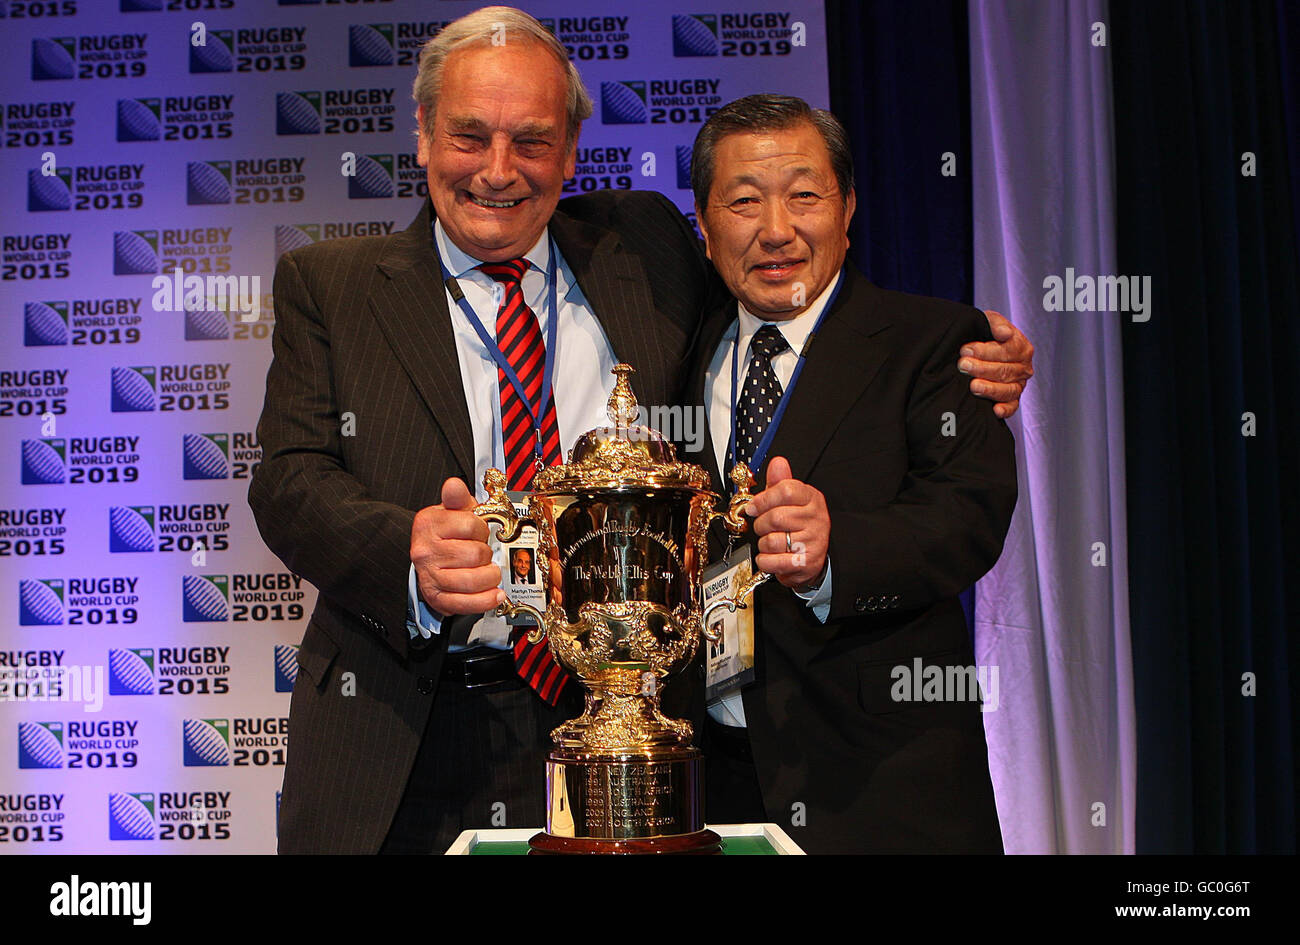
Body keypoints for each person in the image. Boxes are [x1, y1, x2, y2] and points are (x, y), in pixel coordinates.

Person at [250, 6, 1032, 855]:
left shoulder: (646, 249)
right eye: (470, 137)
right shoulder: (328, 286)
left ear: (572, 151)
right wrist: (404, 552)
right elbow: (290, 480)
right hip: (409, 725)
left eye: (533, 141)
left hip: (635, 731)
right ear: (424, 135)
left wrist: (967, 339)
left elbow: (797, 299)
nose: (499, 171)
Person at [685, 94, 1017, 853]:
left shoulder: (933, 341)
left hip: (881, 784)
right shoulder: (680, 344)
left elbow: (969, 514)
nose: (777, 229)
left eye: (804, 194)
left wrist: (837, 553)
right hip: (711, 783)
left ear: (848, 206)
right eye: (743, 201)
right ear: (703, 228)